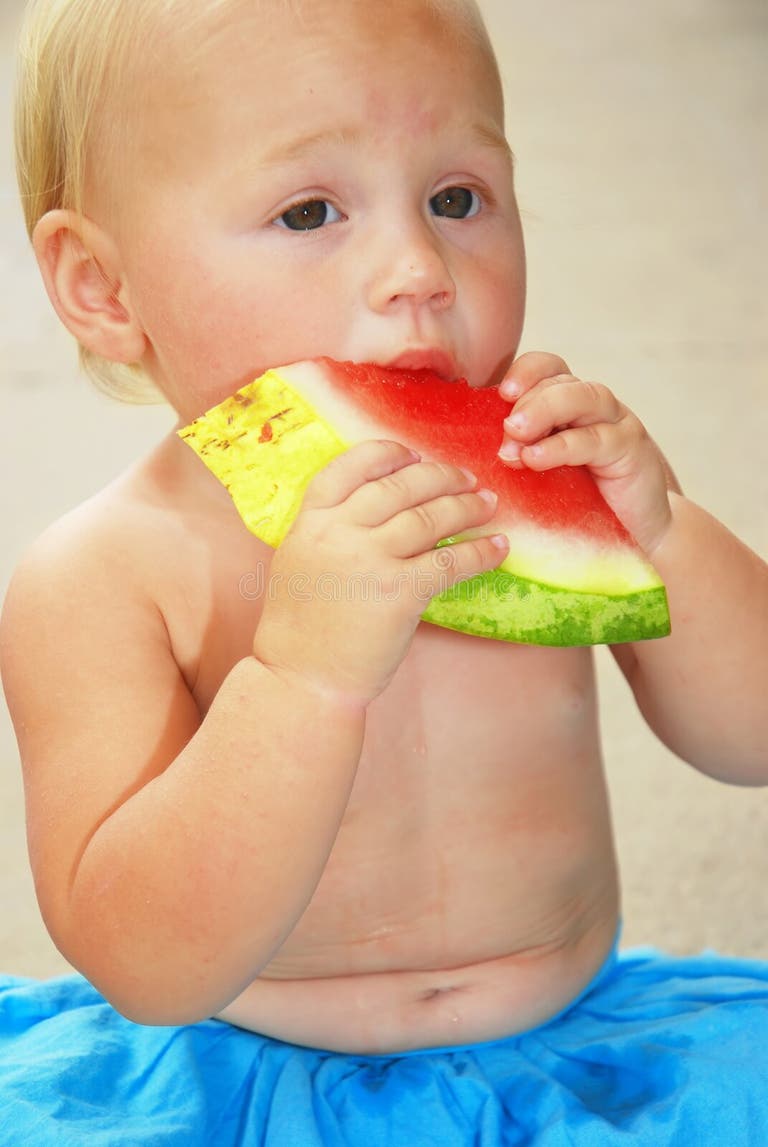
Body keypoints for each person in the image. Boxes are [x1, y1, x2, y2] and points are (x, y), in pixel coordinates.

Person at [1, 0, 767, 1143]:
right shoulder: (101, 576)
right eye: (310, 209)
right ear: (104, 288)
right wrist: (303, 677)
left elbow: (751, 735)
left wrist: (659, 534)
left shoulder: (535, 467)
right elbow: (149, 965)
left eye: (456, 198)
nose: (420, 269)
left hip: (592, 1050)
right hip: (247, 1075)